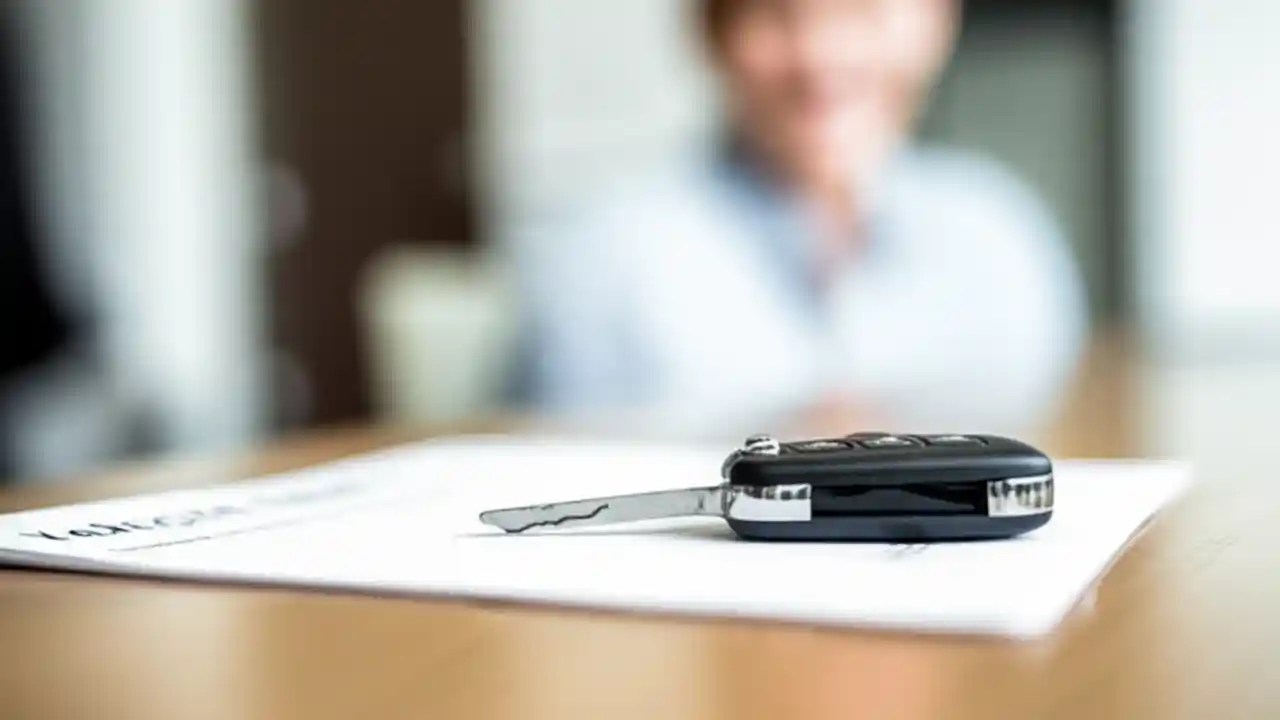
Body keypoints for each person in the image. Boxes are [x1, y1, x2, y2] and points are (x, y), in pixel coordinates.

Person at [509, 0, 1086, 435]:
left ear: (938, 20)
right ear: (710, 35)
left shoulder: (1004, 238)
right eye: (776, 12)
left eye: (862, 8)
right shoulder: (603, 262)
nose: (821, 57)